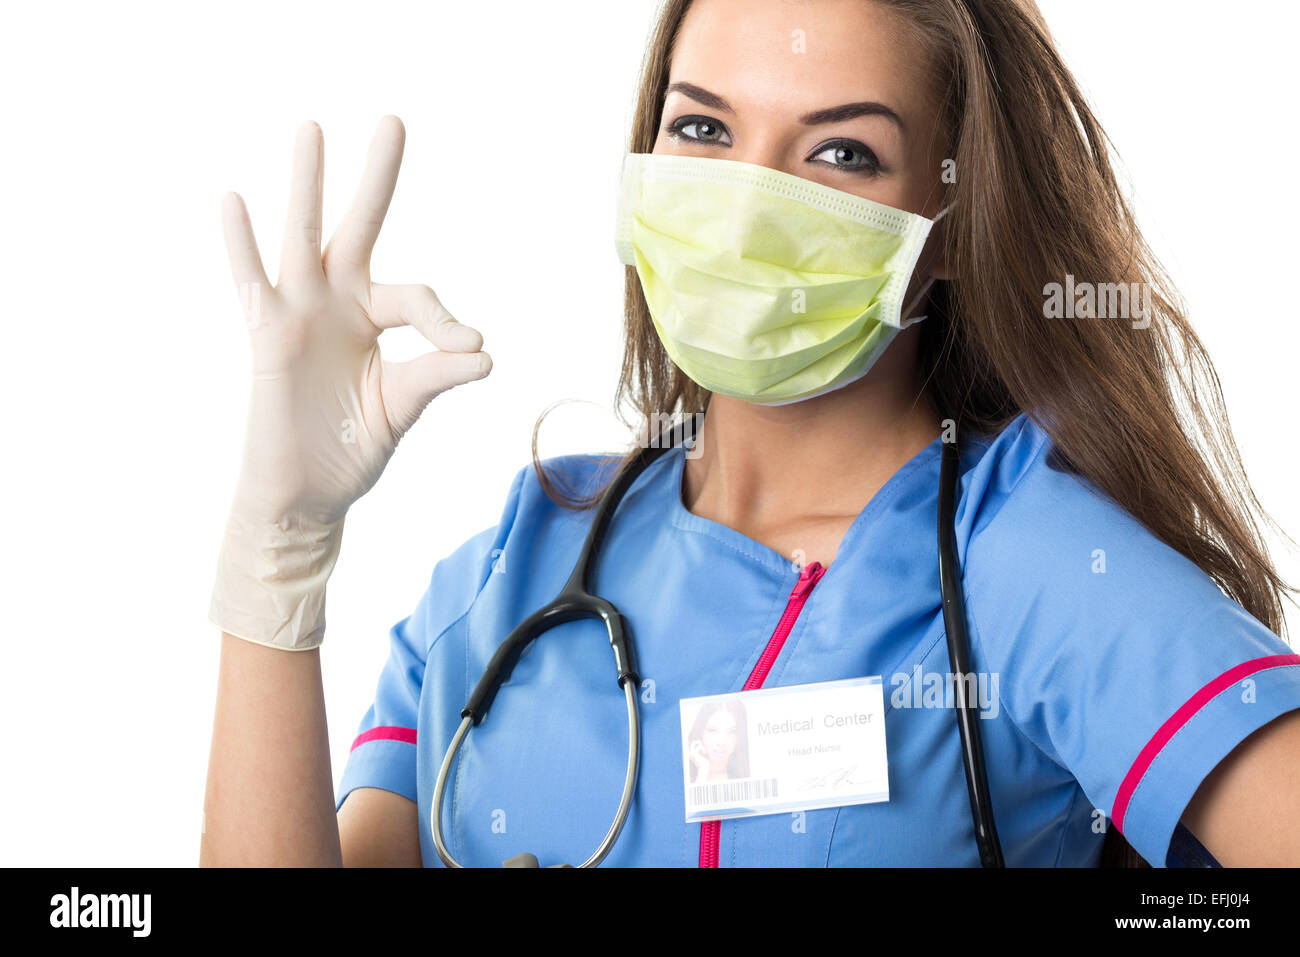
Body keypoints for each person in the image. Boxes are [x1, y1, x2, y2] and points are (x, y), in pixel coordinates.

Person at [200, 0, 1300, 868]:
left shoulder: (1029, 564)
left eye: (842, 155)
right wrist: (277, 557)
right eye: (702, 129)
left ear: (951, 227)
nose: (743, 201)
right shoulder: (515, 563)